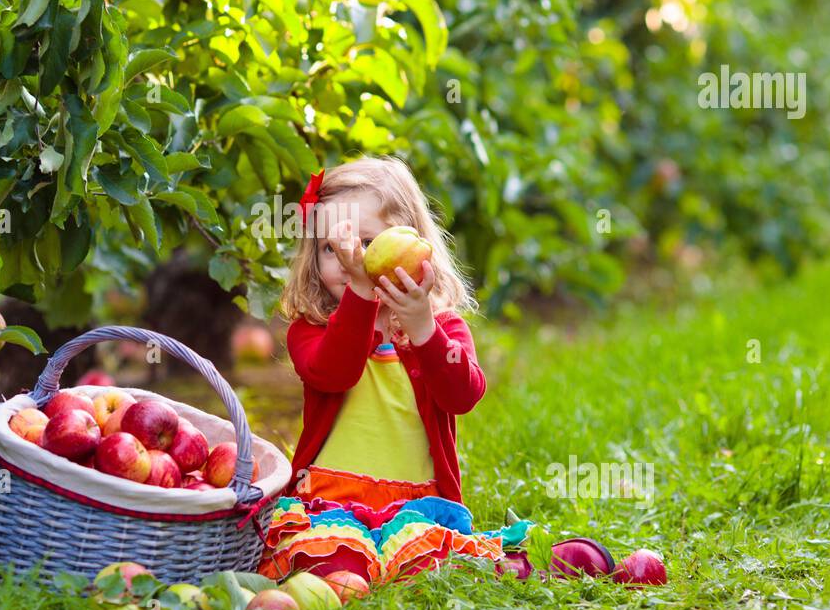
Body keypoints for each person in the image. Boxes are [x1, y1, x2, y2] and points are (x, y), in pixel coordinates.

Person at [258, 156, 617, 585]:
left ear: (410, 243)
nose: (348, 260)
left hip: (416, 507)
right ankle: (347, 572)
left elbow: (462, 395)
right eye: (329, 249)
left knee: (435, 561)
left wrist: (422, 326)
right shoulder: (311, 329)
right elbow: (333, 372)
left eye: (367, 243)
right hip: (332, 503)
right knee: (333, 559)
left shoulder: (441, 327)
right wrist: (361, 293)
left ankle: (531, 563)